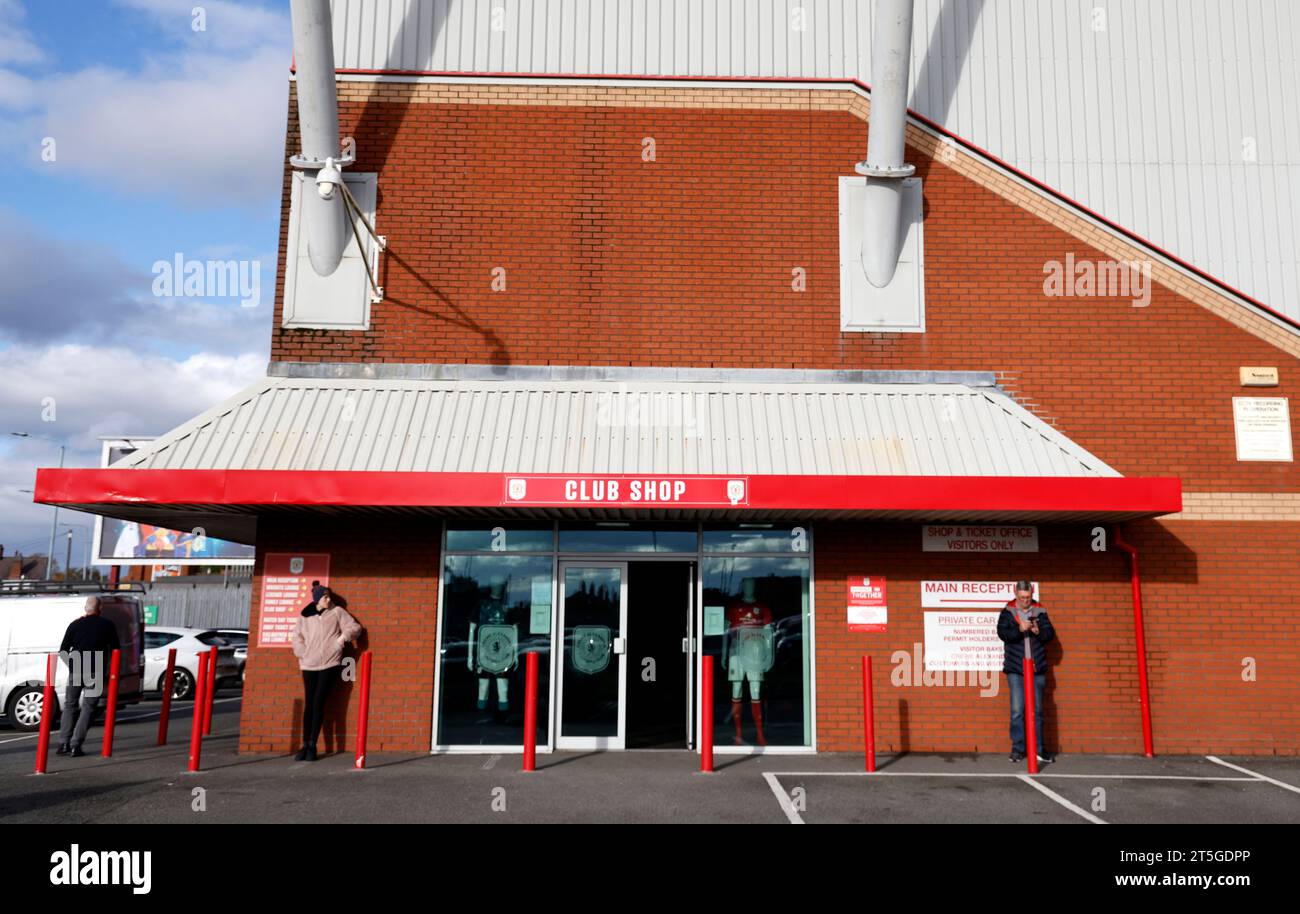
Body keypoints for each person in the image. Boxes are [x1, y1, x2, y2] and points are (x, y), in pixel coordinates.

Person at [291, 584, 362, 761]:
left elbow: (355, 628)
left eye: (329, 596)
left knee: (319, 702)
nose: (328, 599)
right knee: (309, 705)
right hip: (309, 664)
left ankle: (313, 745)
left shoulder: (337, 612)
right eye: (325, 597)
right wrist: (302, 652)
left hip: (330, 663)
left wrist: (341, 640)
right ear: (316, 599)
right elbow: (296, 637)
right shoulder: (305, 616)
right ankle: (305, 744)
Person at [997, 581, 1056, 764]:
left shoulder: (1040, 611)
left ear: (1032, 594)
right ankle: (1018, 748)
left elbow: (1050, 634)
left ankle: (1039, 749)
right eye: (1022, 598)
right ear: (1016, 595)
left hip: (1036, 668)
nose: (1025, 601)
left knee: (1037, 711)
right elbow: (1002, 633)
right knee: (1017, 711)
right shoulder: (1007, 612)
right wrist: (1018, 629)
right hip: (1016, 668)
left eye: (1028, 597)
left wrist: (1038, 631)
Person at [56, 596, 121, 758]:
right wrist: (110, 672)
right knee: (88, 707)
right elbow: (116, 649)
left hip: (76, 666)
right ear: (100, 608)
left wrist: (72, 665)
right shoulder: (107, 625)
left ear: (86, 608)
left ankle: (63, 742)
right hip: (96, 667)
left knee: (70, 705)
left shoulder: (75, 624)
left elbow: (63, 649)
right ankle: (75, 745)